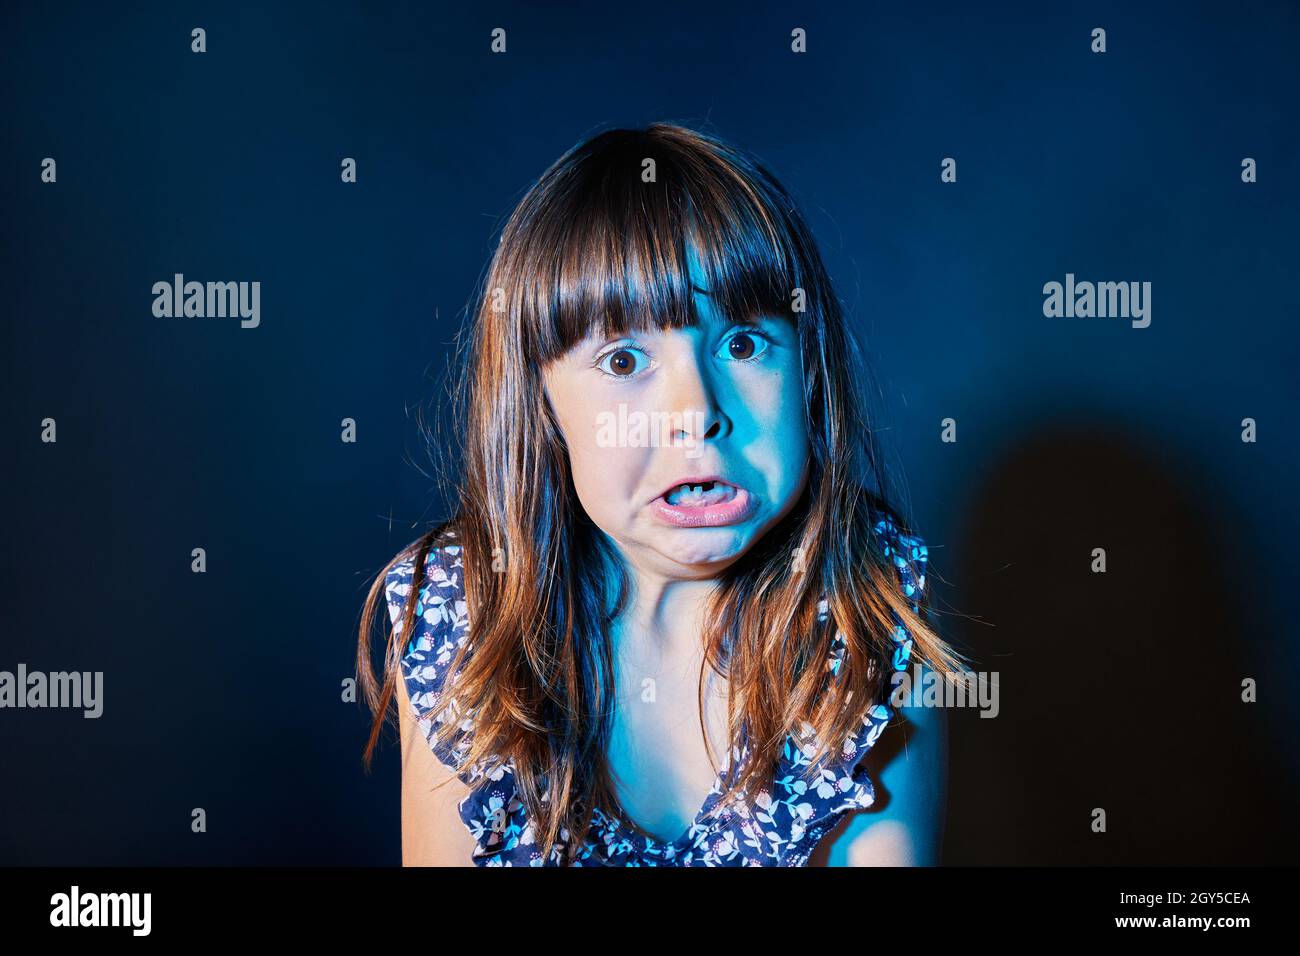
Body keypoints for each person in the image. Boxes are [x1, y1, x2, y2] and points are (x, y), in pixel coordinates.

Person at [355, 123, 966, 866]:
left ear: (807, 373)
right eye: (623, 359)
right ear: (542, 408)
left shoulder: (868, 607)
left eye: (743, 343)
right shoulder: (466, 611)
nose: (696, 411)